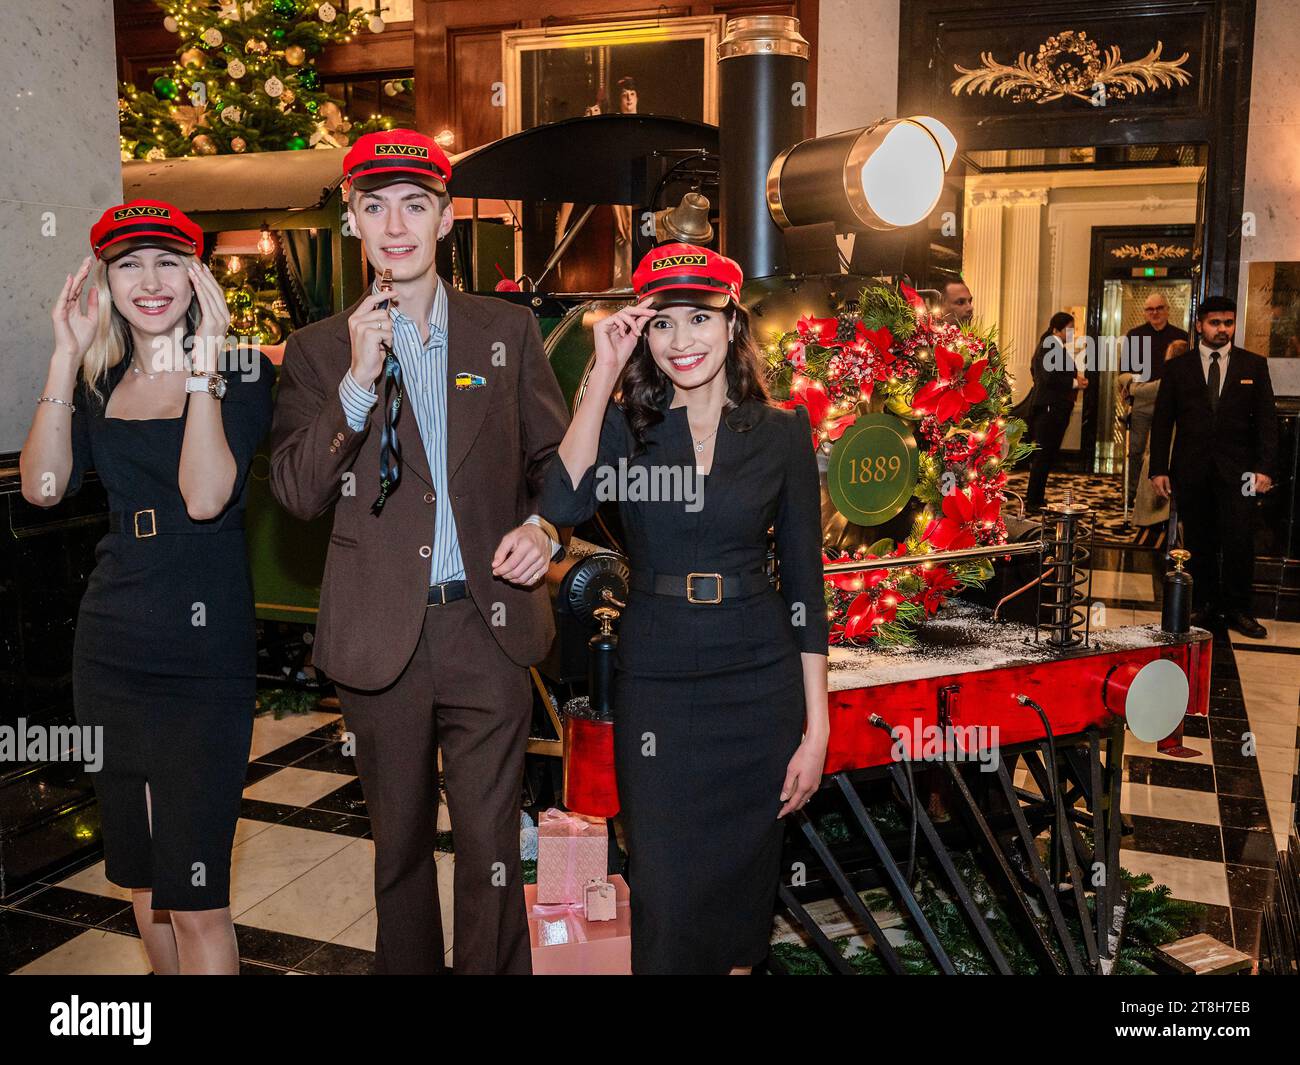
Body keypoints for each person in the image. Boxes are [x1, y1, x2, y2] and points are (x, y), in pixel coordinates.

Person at [269, 130, 569, 974]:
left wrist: (545, 531)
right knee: (396, 848)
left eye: (413, 205)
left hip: (488, 625)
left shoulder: (506, 331)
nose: (394, 225)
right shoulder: (320, 349)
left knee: (491, 849)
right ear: (355, 224)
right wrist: (356, 388)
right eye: (374, 207)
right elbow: (295, 492)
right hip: (377, 637)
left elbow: (558, 467)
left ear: (444, 219)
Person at [540, 242, 830, 974]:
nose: (682, 341)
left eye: (699, 319)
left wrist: (816, 726)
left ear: (732, 324)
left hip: (757, 684)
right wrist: (603, 371)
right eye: (662, 324)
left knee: (738, 923)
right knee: (665, 907)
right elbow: (563, 500)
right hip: (659, 683)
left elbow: (804, 584)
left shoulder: (781, 433)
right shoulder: (626, 428)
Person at [19, 200, 274, 974]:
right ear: (105, 279)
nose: (149, 281)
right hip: (113, 643)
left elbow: (204, 497)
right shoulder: (98, 378)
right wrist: (65, 356)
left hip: (202, 651)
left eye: (168, 261)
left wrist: (201, 367)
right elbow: (43, 486)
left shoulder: (242, 369)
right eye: (129, 264)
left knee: (195, 894)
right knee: (141, 882)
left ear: (197, 276)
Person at [1149, 296, 1277, 636]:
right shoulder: (1179, 367)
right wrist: (1158, 469)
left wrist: (1265, 468)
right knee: (1200, 539)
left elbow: (1267, 422)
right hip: (1192, 468)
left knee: (1239, 539)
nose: (1223, 329)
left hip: (1242, 471)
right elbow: (1163, 422)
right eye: (1215, 323)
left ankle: (1239, 609)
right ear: (1199, 325)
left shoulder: (1253, 365)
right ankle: (1203, 605)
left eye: (1228, 323)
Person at [1123, 293, 1188, 504]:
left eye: (1159, 308)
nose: (1155, 313)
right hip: (1142, 401)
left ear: (1167, 309)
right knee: (1135, 451)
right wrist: (1130, 388)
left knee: (1165, 450)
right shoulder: (1134, 335)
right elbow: (1126, 370)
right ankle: (1132, 492)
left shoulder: (1181, 336)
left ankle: (1162, 492)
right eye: (1150, 309)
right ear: (1145, 313)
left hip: (1171, 403)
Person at [1025, 312, 1086, 510]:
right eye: (1069, 328)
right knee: (1044, 454)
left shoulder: (1051, 345)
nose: (1071, 332)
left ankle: (1036, 498)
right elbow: (1049, 377)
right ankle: (1034, 500)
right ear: (1056, 329)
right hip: (1051, 408)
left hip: (1052, 405)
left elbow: (1038, 373)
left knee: (1046, 454)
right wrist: (1076, 382)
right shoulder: (1051, 345)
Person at [1131, 339, 1189, 538]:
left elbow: (1135, 390)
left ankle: (1156, 524)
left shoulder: (1169, 382)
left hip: (1173, 449)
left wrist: (1127, 379)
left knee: (1150, 466)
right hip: (1173, 446)